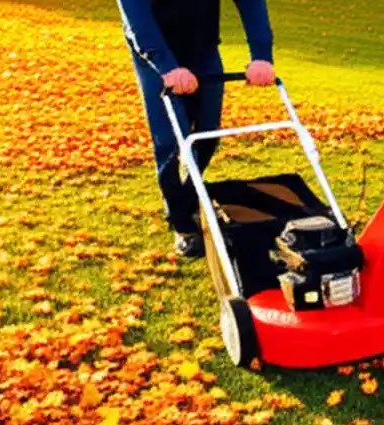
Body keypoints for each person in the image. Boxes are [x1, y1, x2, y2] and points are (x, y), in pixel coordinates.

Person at [117, 0, 277, 257]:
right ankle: (181, 222)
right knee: (170, 139)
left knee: (208, 133)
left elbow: (251, 3)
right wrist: (167, 67)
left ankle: (190, 197)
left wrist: (262, 56)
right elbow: (137, 18)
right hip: (155, 52)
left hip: (203, 48)